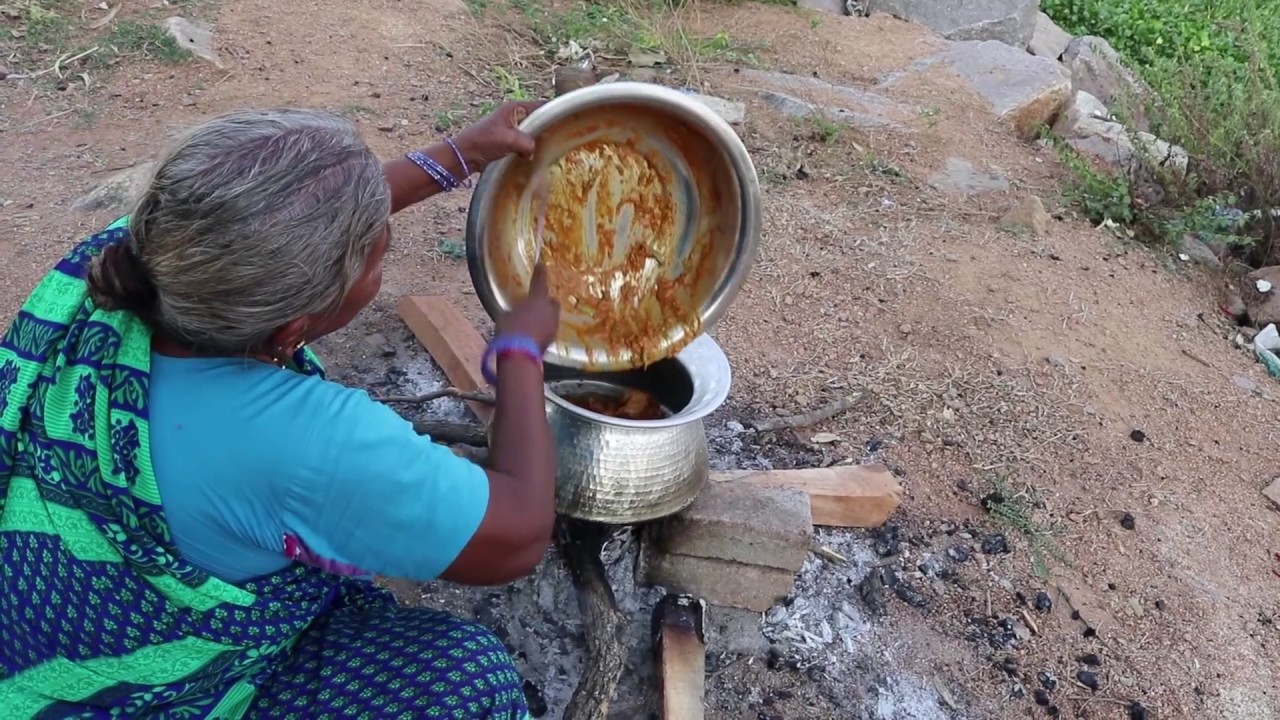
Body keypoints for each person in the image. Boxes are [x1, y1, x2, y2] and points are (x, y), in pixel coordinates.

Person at [0, 103, 561, 719]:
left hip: (39, 629)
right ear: (295, 327)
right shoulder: (303, 444)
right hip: (135, 690)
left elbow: (266, 225)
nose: (382, 264)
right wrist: (517, 351)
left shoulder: (132, 260)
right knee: (462, 677)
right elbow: (519, 537)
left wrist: (456, 157)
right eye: (375, 262)